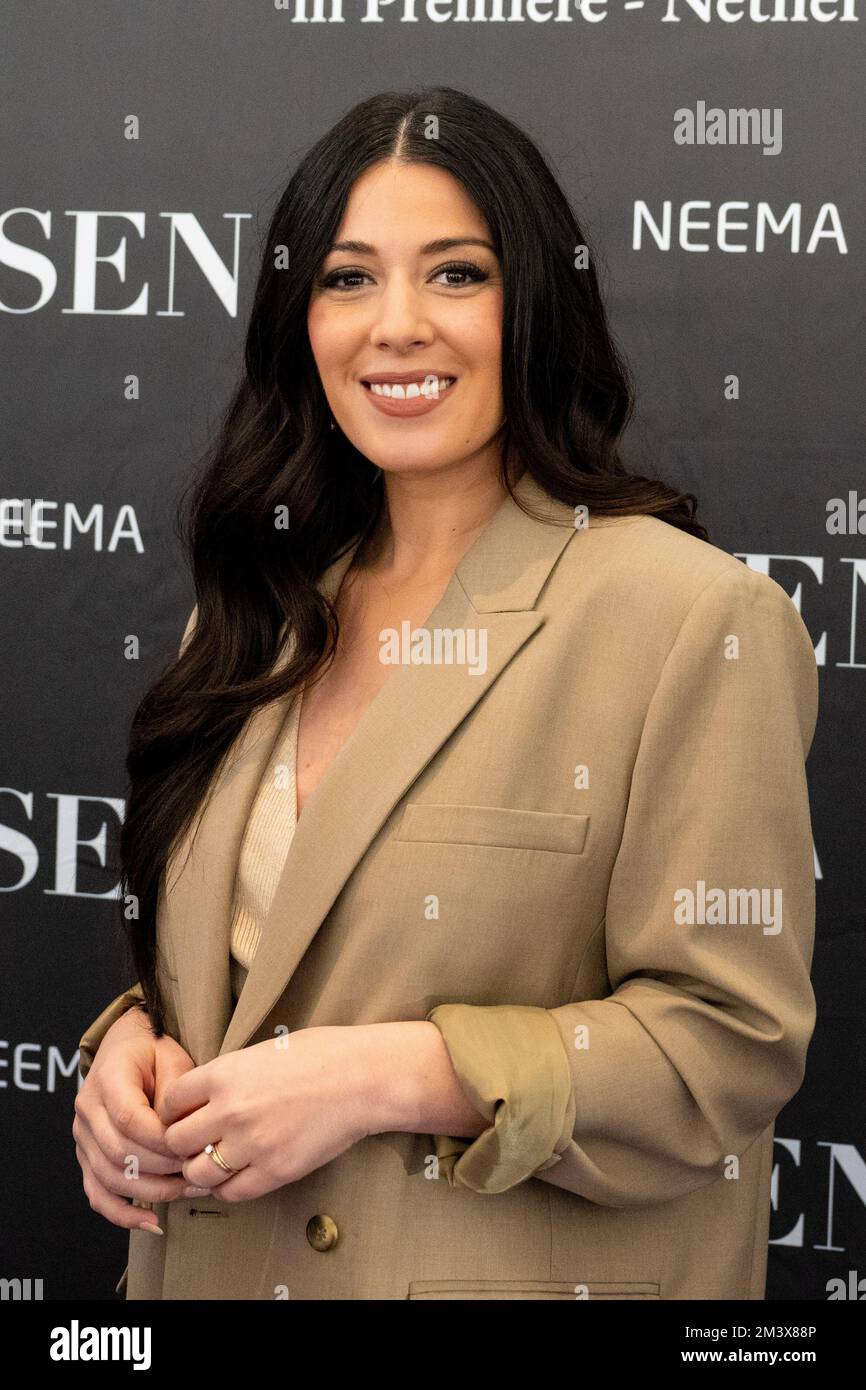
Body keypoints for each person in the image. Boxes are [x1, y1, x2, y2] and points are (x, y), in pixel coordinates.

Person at [73, 86, 818, 1301]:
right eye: (347, 278)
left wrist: (386, 1075)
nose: (396, 326)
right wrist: (131, 1051)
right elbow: (272, 954)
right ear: (295, 319)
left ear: (537, 303)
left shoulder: (688, 619)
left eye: (457, 274)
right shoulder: (252, 607)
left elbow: (725, 1048)